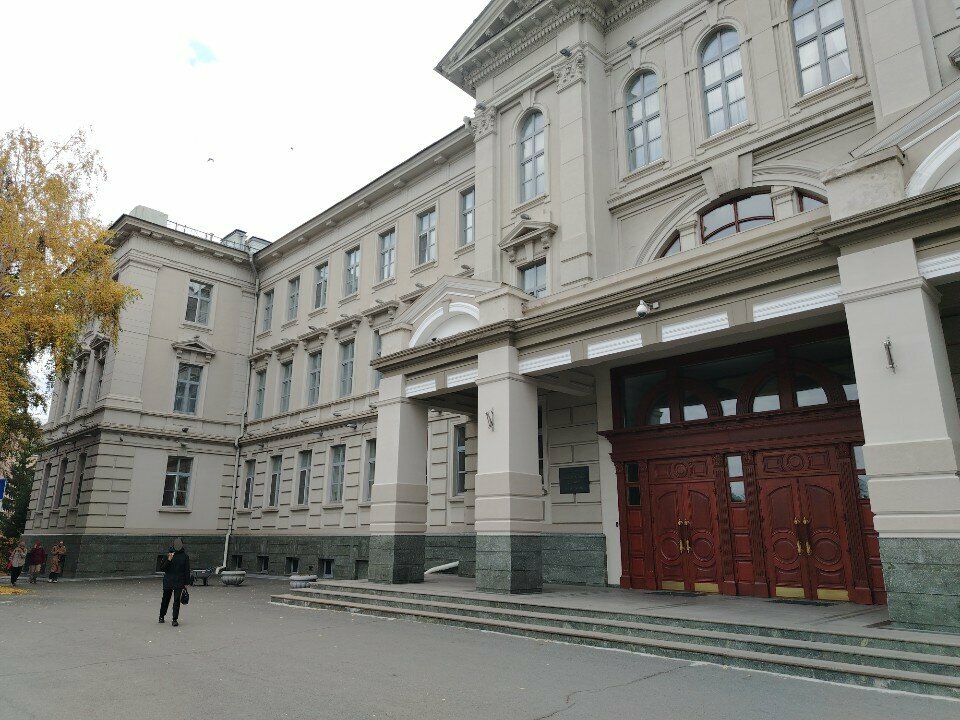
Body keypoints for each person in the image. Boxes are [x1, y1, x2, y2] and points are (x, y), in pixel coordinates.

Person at [159, 537, 190, 627]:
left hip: (179, 581)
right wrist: (169, 559)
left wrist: (186, 583)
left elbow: (186, 570)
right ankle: (161, 616)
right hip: (168, 580)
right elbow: (163, 568)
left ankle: (174, 619)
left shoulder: (185, 556)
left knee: (176, 600)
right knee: (165, 599)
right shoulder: (168, 555)